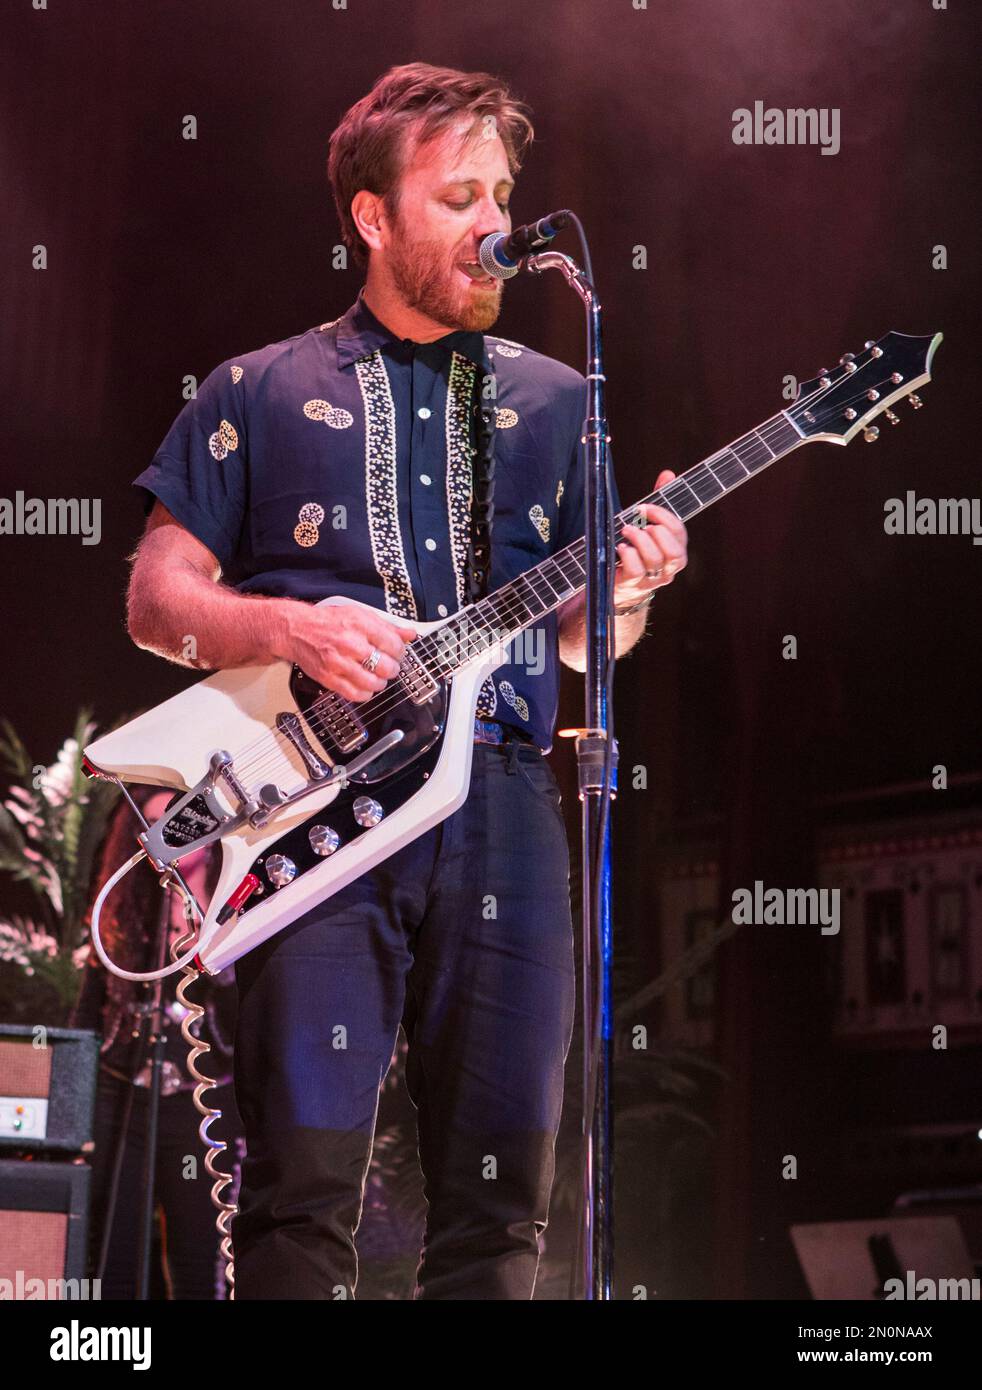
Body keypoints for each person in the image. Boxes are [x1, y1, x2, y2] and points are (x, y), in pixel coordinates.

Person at [123, 61, 687, 1300]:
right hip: (318, 806)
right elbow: (157, 600)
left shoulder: (561, 400)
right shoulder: (258, 389)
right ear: (373, 218)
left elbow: (590, 642)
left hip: (503, 807)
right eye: (456, 197)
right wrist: (291, 625)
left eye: (501, 194)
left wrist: (632, 585)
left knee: (503, 1210)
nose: (494, 224)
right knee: (299, 1194)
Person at [72, 787, 243, 1299]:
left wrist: (212, 935)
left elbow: (245, 1022)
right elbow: (87, 1017)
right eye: (156, 824)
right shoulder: (125, 914)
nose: (171, 834)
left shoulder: (233, 911)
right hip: (120, 1095)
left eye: (184, 819)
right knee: (111, 1247)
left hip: (196, 1105)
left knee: (196, 1247)